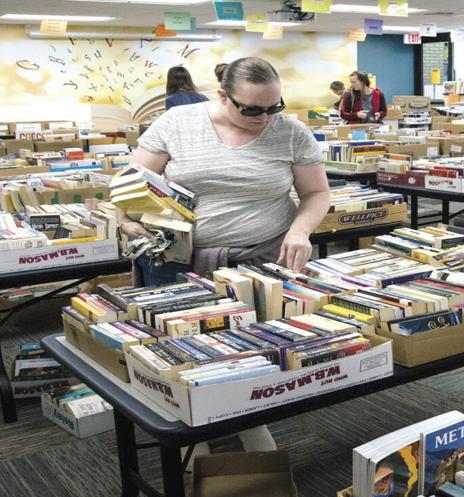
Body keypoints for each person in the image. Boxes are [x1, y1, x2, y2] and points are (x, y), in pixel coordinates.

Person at [124, 57, 331, 462]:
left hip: (259, 258)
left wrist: (300, 230)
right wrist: (124, 216)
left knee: (250, 348)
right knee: (181, 348)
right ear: (223, 96)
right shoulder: (178, 122)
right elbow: (134, 184)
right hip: (177, 259)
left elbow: (316, 193)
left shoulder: (290, 132)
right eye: (251, 109)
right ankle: (190, 435)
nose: (264, 118)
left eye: (274, 108)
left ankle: (249, 423)